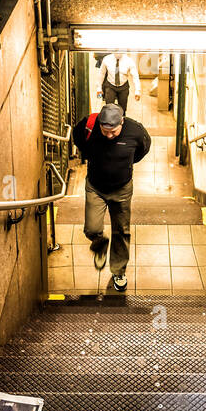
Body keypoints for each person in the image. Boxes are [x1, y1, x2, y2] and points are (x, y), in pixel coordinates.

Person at [73, 102, 151, 293]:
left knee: (121, 231)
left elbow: (142, 150)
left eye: (113, 132)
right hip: (95, 187)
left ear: (122, 122)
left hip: (122, 189)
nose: (108, 135)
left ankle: (118, 271)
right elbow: (78, 140)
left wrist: (123, 164)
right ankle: (99, 246)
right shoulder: (88, 125)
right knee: (92, 228)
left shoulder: (136, 131)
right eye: (104, 130)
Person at [97, 50, 141, 116]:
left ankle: (122, 124)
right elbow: (101, 74)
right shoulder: (107, 59)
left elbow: (135, 76)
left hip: (123, 87)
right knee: (108, 108)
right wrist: (99, 88)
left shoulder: (129, 61)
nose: (118, 53)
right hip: (110, 85)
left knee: (122, 109)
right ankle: (109, 123)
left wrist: (137, 90)